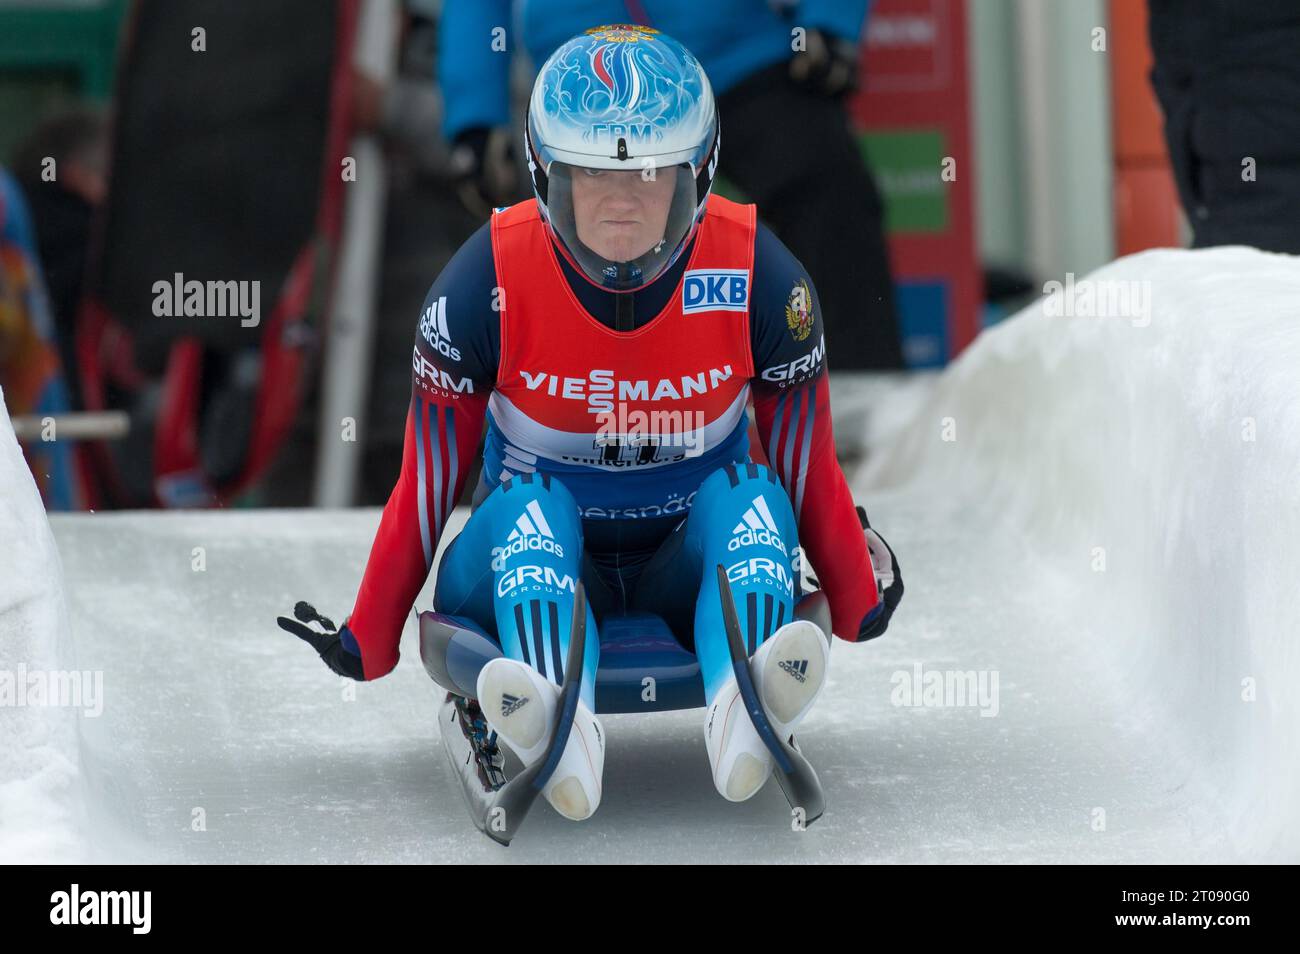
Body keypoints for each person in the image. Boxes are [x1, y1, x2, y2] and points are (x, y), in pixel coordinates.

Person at [287, 25, 903, 822]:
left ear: (696, 176)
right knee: (532, 509)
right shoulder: (484, 281)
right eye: (592, 176)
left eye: (649, 177)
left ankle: (740, 705)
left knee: (751, 497)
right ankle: (556, 713)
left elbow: (804, 462)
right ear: (548, 176)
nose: (620, 202)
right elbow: (427, 480)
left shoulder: (759, 273)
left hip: (685, 566)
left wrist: (855, 594)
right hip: (530, 562)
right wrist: (367, 636)